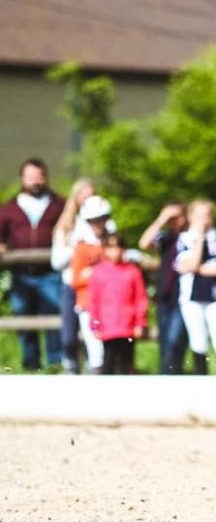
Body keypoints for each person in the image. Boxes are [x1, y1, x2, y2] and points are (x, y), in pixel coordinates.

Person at [0, 158, 65, 370]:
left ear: (46, 177)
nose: (35, 181)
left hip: (50, 272)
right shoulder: (9, 208)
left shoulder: (59, 205)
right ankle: (31, 364)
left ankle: (55, 364)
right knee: (24, 318)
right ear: (22, 178)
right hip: (21, 273)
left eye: (39, 176)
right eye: (31, 177)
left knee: (54, 317)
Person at [175, 199, 216, 375]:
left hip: (215, 296)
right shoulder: (184, 239)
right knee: (198, 341)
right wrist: (200, 239)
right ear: (190, 217)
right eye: (200, 216)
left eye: (208, 215)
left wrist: (197, 268)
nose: (205, 220)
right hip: (191, 298)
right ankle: (201, 377)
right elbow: (191, 264)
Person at [51, 179, 100, 373]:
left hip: (94, 285)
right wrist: (78, 249)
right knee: (70, 335)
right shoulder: (67, 226)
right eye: (84, 197)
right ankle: (70, 366)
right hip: (71, 284)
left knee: (93, 332)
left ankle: (94, 368)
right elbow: (56, 261)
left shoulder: (102, 223)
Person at [139, 203, 189, 374]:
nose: (176, 221)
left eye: (178, 216)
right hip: (164, 297)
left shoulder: (191, 238)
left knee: (176, 341)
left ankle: (171, 375)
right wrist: (162, 218)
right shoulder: (166, 237)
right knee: (165, 341)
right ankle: (167, 375)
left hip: (182, 297)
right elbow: (144, 243)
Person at [88, 233, 148, 374]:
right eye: (111, 247)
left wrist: (140, 323)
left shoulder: (132, 271)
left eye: (118, 247)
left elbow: (140, 298)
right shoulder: (98, 272)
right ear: (105, 249)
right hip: (108, 327)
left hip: (128, 325)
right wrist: (95, 326)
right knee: (108, 363)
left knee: (126, 364)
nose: (115, 252)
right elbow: (93, 301)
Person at [70, 195, 113, 374]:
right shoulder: (82, 247)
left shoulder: (111, 244)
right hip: (89, 306)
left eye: (102, 219)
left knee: (111, 346)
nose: (98, 224)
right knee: (96, 349)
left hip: (110, 305)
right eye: (94, 220)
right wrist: (96, 274)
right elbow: (76, 279)